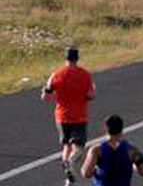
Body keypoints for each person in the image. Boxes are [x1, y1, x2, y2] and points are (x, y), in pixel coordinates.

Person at [44, 47, 95, 186]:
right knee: (78, 147)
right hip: (79, 115)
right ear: (77, 58)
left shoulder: (56, 74)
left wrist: (56, 95)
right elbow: (91, 95)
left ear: (65, 58)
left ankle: (69, 180)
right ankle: (70, 163)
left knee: (66, 146)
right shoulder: (85, 75)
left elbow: (46, 96)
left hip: (61, 116)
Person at [80, 115, 143, 186]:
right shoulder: (131, 150)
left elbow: (86, 173)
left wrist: (97, 170)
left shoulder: (96, 150)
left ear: (105, 129)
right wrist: (135, 163)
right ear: (121, 130)